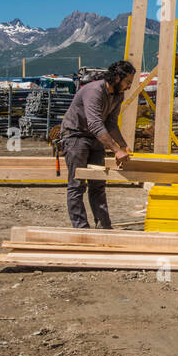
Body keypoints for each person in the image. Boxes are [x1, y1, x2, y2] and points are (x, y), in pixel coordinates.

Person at [58, 59, 135, 230]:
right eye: (127, 82)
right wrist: (115, 149)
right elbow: (95, 124)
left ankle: (104, 227)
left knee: (98, 184)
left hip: (94, 137)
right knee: (77, 184)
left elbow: (111, 123)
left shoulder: (118, 95)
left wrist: (123, 146)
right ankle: (81, 229)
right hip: (75, 135)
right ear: (117, 78)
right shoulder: (94, 91)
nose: (129, 86)